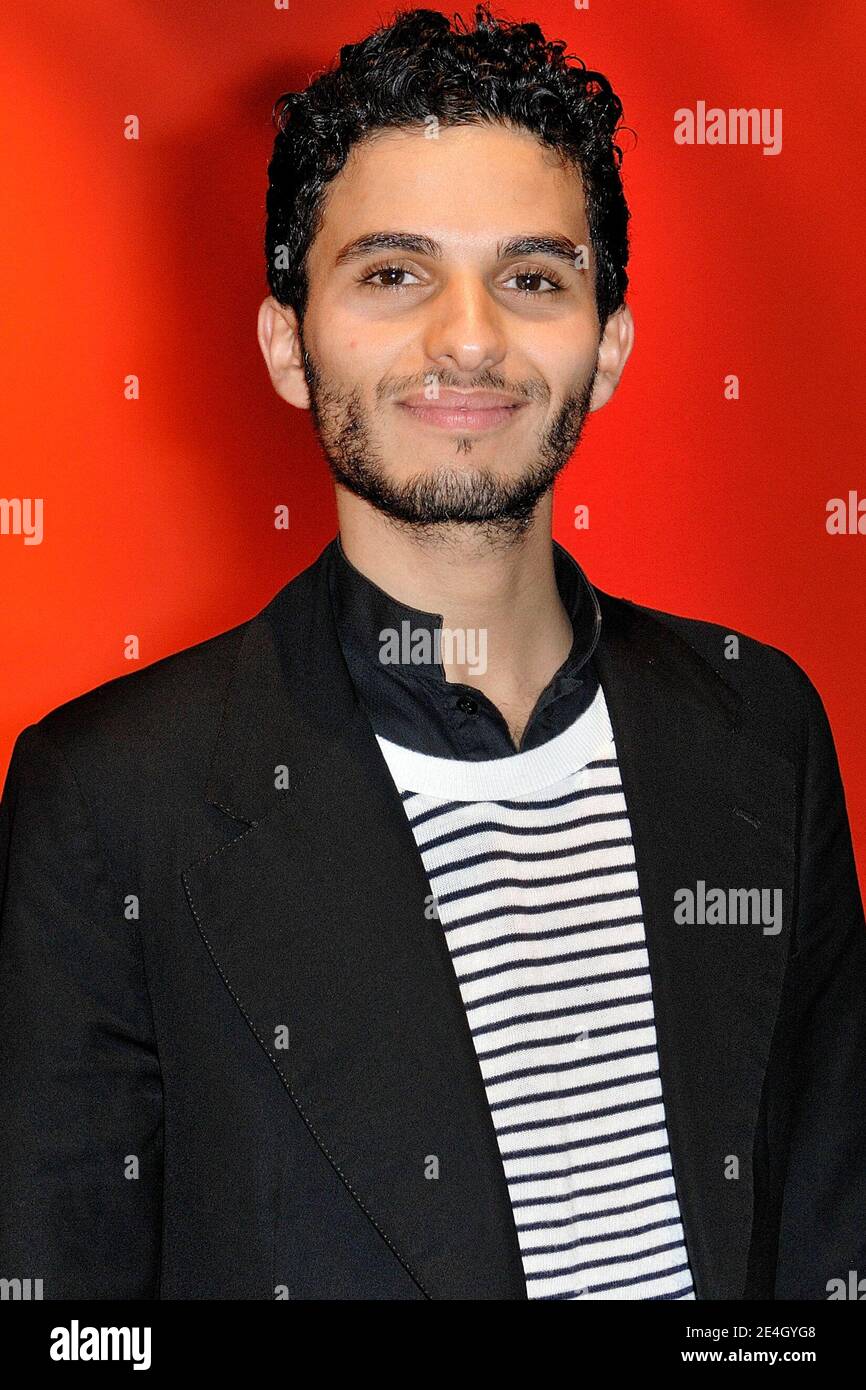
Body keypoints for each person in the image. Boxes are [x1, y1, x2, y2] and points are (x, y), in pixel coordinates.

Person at [1, 5, 864, 1301]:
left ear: (608, 345)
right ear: (289, 345)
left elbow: (821, 1242)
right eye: (393, 272)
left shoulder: (761, 727)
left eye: (531, 277)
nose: (468, 338)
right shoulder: (111, 797)